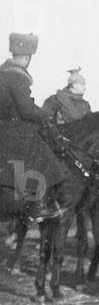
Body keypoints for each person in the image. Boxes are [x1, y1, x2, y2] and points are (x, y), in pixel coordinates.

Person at [0, 32, 68, 221]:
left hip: (3, 128)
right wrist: (47, 113)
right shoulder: (17, 76)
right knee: (45, 155)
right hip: (16, 131)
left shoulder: (3, 73)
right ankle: (39, 205)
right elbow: (26, 109)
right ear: (27, 58)